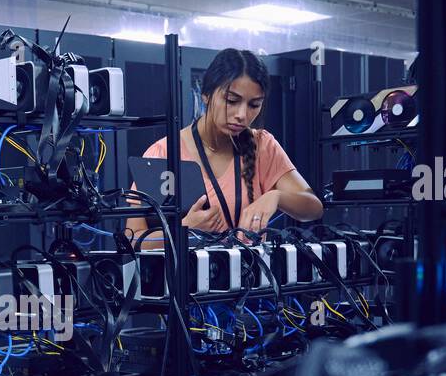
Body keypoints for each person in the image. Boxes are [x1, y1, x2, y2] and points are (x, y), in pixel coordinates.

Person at [126, 48, 322, 245]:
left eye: (254, 105)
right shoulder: (164, 153)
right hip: (189, 266)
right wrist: (185, 229)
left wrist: (276, 196)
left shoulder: (262, 145)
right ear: (206, 94)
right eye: (232, 101)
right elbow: (133, 240)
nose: (242, 115)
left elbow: (314, 208)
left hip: (250, 265)